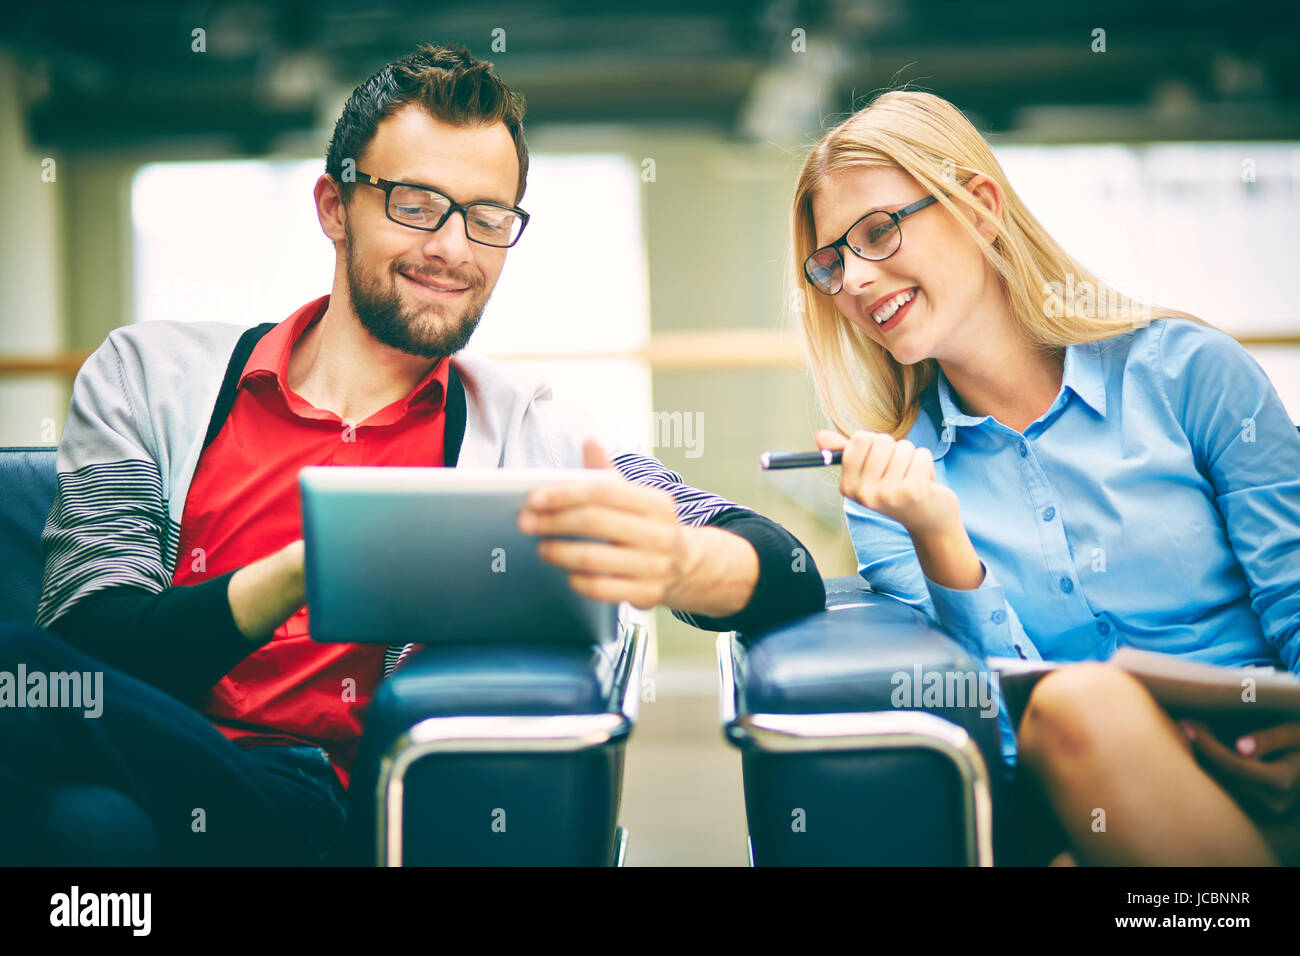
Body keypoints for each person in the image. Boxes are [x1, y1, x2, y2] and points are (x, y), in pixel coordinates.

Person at [0, 43, 824, 866]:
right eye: (416, 203)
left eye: (487, 217)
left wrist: (678, 561)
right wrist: (305, 568)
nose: (454, 248)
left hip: (302, 803)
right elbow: (91, 650)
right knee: (85, 823)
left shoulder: (528, 434)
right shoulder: (148, 377)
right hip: (120, 763)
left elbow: (785, 569)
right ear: (335, 206)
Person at [789, 89, 1300, 865]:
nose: (854, 280)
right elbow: (993, 732)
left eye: (878, 232)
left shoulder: (1191, 375)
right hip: (1084, 805)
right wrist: (939, 535)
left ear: (981, 207)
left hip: (1275, 769)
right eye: (832, 262)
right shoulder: (893, 492)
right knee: (1073, 708)